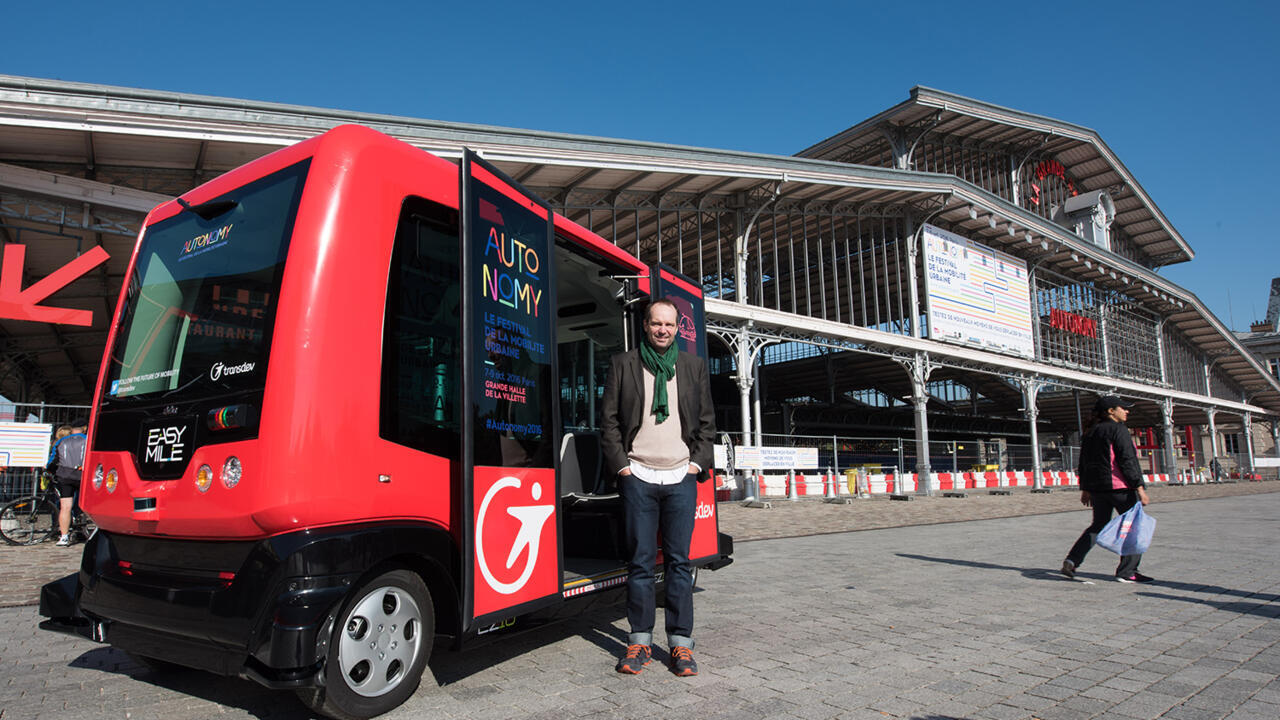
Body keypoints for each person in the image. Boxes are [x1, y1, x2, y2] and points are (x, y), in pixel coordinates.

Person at [601, 298, 715, 676]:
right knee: (640, 563)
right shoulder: (624, 364)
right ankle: (639, 642)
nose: (662, 330)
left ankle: (681, 645)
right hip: (639, 477)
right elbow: (611, 423)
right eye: (656, 324)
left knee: (680, 563)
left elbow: (706, 424)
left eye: (668, 324)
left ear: (676, 327)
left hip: (681, 476)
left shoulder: (693, 366)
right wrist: (623, 469)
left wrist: (695, 465)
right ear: (645, 326)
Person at [1061, 396, 1152, 583]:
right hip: (1120, 488)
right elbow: (1127, 460)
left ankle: (1072, 559)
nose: (1127, 411)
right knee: (1134, 527)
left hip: (1097, 489)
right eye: (1123, 408)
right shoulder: (1118, 430)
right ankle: (1128, 571)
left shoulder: (1091, 432)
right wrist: (1140, 487)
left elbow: (1083, 462)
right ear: (1111, 411)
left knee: (1098, 525)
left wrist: (1085, 488)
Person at [50, 419, 88, 547]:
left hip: (65, 476)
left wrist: (50, 470)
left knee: (65, 507)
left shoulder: (61, 441)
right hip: (83, 476)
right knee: (84, 505)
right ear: (84, 428)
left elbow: (53, 460)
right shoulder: (88, 440)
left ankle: (64, 537)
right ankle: (82, 530)